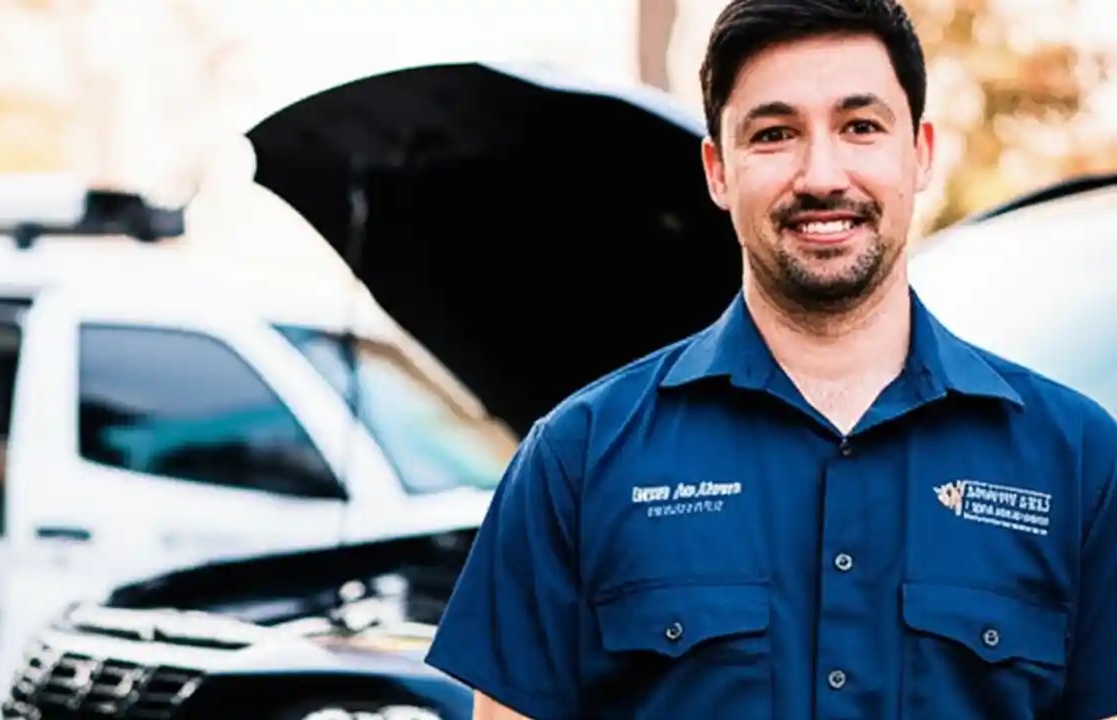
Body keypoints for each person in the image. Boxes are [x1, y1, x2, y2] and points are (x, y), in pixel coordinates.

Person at [421, 0, 1117, 718]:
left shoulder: (1079, 460)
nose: (821, 174)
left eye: (861, 127)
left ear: (920, 154)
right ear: (718, 171)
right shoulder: (578, 458)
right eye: (775, 134)